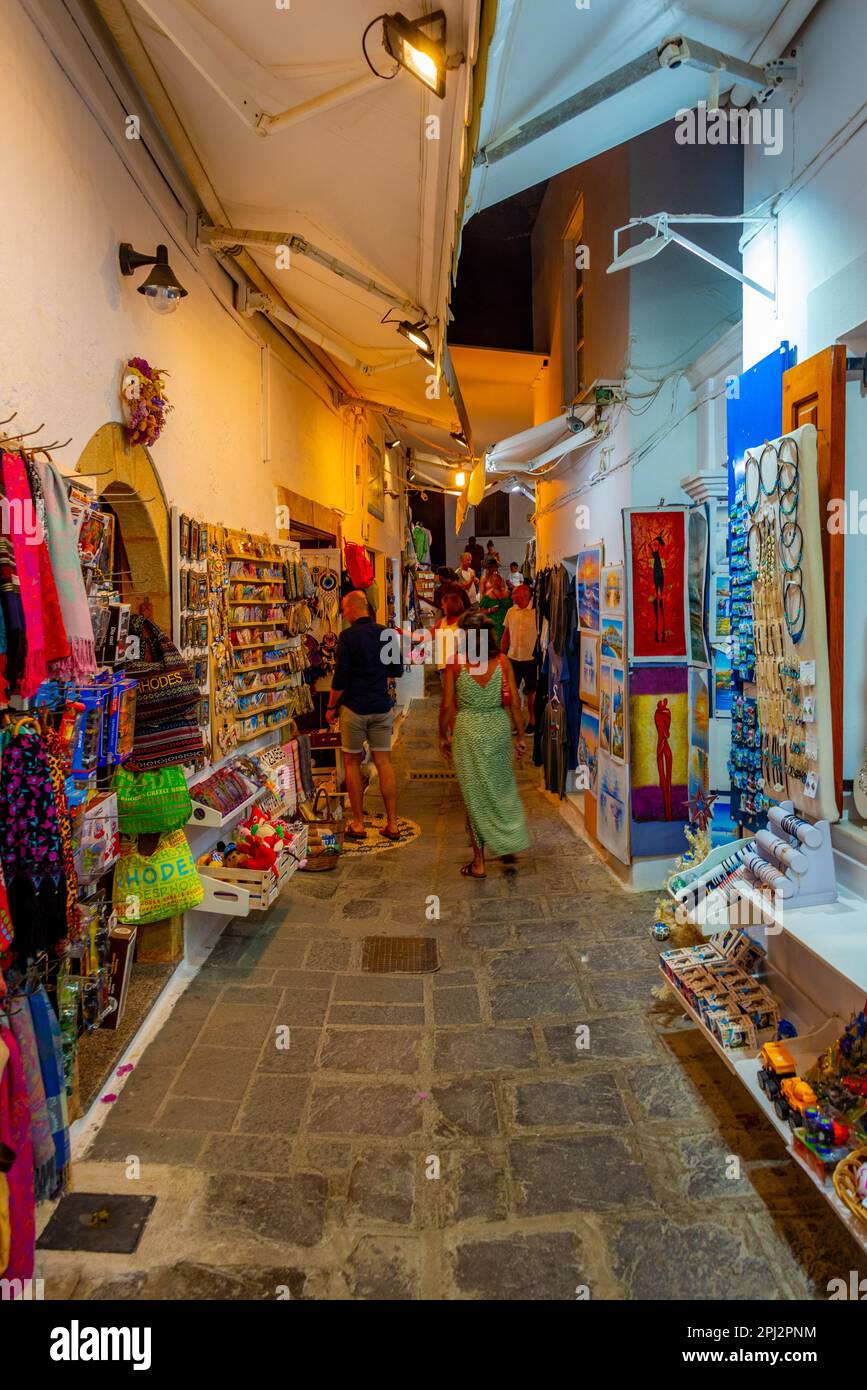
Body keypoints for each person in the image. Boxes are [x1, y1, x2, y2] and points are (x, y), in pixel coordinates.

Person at [439, 611, 529, 878]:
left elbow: (446, 706)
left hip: (468, 731)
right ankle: (506, 843)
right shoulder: (502, 661)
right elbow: (514, 701)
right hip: (498, 729)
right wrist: (521, 736)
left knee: (474, 796)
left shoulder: (456, 663)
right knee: (501, 789)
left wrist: (441, 735)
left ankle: (479, 862)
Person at [325, 590, 403, 842]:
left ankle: (358, 824)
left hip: (354, 709)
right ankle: (392, 824)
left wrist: (330, 706)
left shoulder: (347, 637)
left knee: (351, 764)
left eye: (344, 609)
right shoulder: (387, 634)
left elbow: (341, 677)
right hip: (381, 706)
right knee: (384, 763)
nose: (343, 613)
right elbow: (396, 670)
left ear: (354, 609)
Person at [502, 583, 537, 732]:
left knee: (532, 692)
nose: (513, 599)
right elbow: (506, 634)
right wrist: (501, 654)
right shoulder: (511, 611)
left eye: (515, 596)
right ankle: (518, 721)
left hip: (531, 658)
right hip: (513, 657)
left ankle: (533, 721)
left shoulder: (536, 612)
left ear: (525, 595)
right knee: (511, 691)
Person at [433, 584, 469, 683]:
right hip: (443, 666)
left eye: (444, 604)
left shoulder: (464, 622)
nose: (442, 606)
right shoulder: (442, 621)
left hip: (458, 667)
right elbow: (426, 636)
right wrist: (404, 633)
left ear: (451, 606)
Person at [479, 560, 512, 640]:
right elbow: (482, 593)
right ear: (489, 567)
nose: (495, 568)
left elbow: (503, 587)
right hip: (490, 600)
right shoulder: (484, 578)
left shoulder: (500, 577)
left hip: (500, 598)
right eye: (493, 566)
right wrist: (486, 605)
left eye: (495, 567)